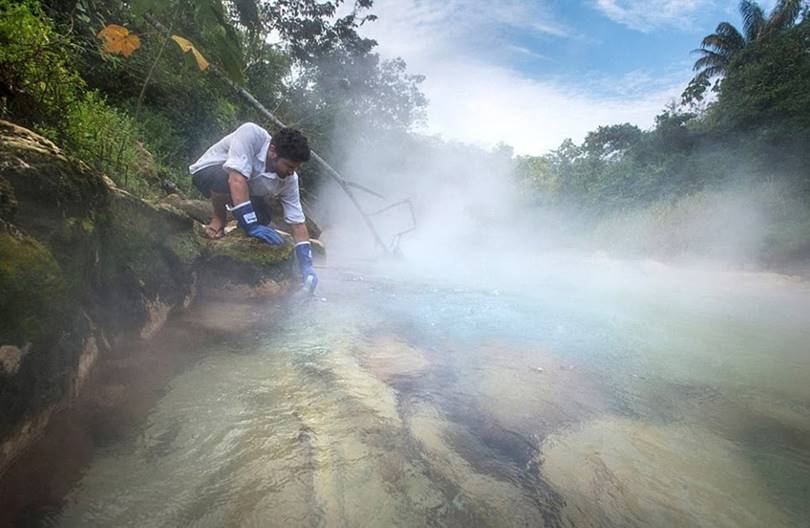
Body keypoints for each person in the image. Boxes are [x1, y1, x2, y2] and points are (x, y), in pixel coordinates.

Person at [189, 122, 318, 291]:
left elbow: (298, 222)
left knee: (263, 217)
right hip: (208, 172)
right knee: (225, 179)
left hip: (243, 186)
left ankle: (238, 226)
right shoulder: (251, 134)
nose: (291, 172)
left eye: (295, 168)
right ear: (273, 151)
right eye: (288, 166)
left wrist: (307, 265)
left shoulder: (289, 180)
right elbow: (235, 179)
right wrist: (250, 224)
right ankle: (219, 219)